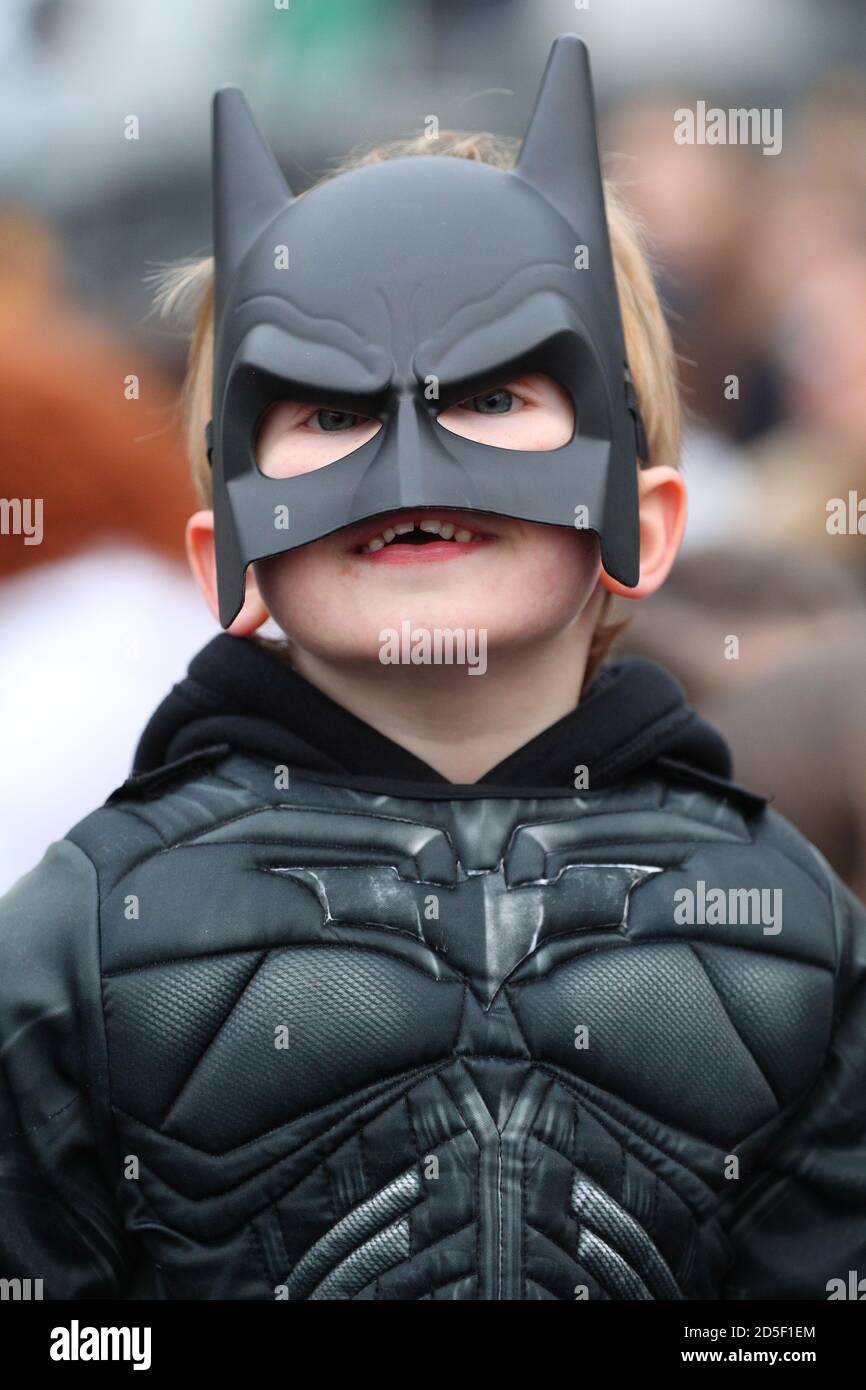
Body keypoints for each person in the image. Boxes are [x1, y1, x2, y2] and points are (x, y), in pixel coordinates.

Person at [0, 35, 864, 1302]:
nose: (413, 461)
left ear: (646, 521)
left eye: (496, 392)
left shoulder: (786, 930)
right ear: (224, 554)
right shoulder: (75, 944)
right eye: (332, 410)